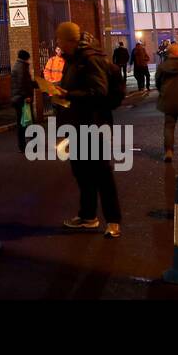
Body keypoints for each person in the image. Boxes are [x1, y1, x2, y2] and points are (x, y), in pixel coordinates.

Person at [52, 22, 122, 238]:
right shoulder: (73, 60)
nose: (57, 42)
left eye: (60, 39)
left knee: (101, 174)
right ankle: (88, 216)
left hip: (94, 124)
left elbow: (98, 92)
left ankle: (113, 221)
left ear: (69, 40)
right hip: (78, 124)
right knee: (82, 172)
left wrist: (69, 95)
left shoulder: (90, 60)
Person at [11, 48, 36, 149]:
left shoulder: (17, 66)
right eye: (28, 59)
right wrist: (26, 96)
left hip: (18, 99)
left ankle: (22, 146)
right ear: (26, 58)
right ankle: (33, 144)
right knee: (28, 122)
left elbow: (26, 83)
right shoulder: (22, 67)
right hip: (23, 100)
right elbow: (22, 83)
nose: (29, 61)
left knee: (22, 123)